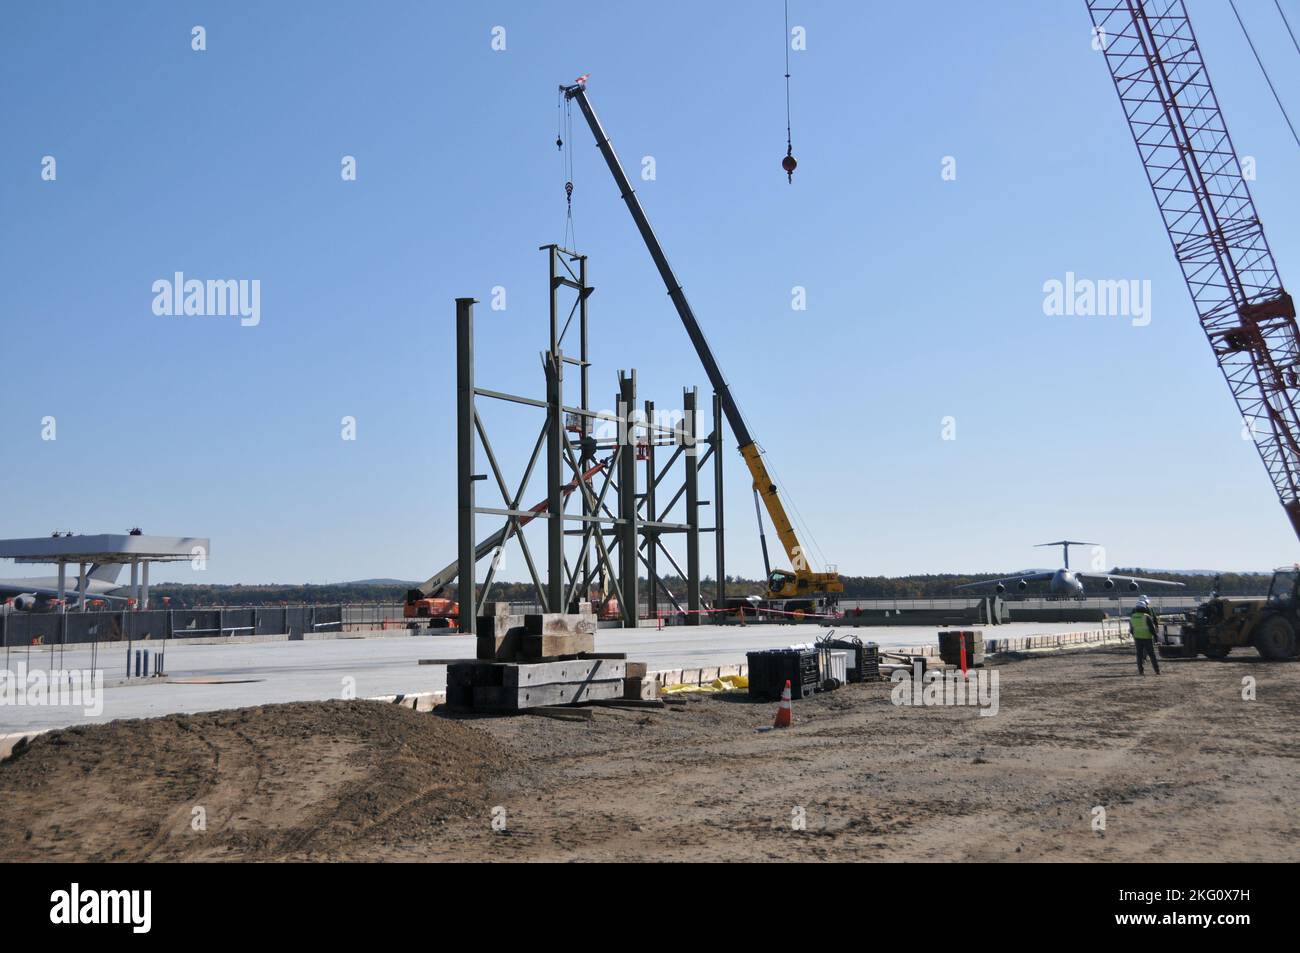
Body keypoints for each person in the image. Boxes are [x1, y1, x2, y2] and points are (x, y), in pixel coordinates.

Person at [1130, 595, 1161, 675]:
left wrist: (1135, 635)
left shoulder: (1132, 617)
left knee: (1139, 655)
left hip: (1137, 638)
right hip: (1147, 638)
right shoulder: (1146, 617)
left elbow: (1131, 629)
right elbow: (1152, 628)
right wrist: (1156, 637)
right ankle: (1157, 670)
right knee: (1152, 655)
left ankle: (1141, 671)